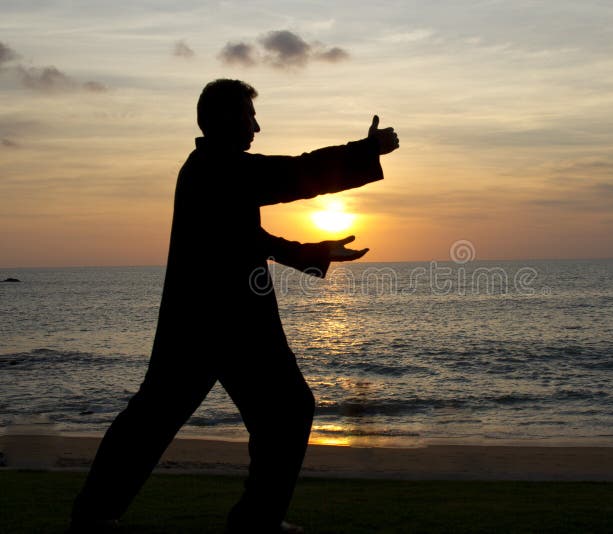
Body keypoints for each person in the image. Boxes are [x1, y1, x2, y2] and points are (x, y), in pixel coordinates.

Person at [69, 78, 399, 533]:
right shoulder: (216, 168)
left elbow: (250, 239)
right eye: (249, 115)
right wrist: (366, 151)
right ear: (225, 118)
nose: (256, 126)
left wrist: (314, 251)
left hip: (204, 325)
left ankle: (101, 515)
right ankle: (251, 520)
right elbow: (293, 174)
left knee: (157, 419)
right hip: (226, 325)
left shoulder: (212, 170)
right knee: (274, 411)